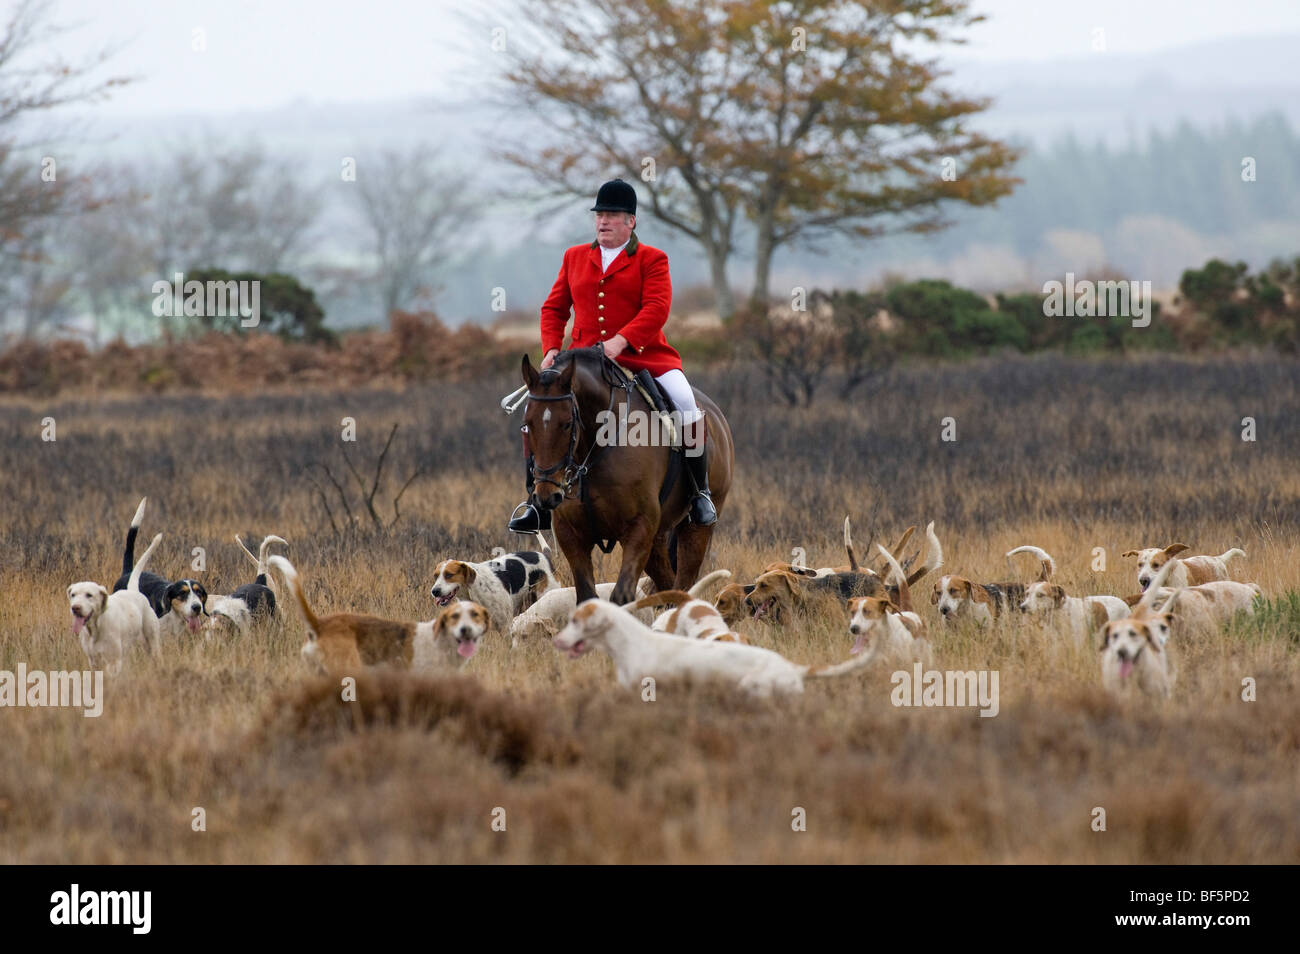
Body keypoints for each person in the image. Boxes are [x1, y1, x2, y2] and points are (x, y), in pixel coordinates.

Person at [508, 178, 717, 534]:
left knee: (685, 404)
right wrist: (552, 349)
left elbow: (656, 308)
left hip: (644, 357)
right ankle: (536, 502)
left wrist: (622, 341)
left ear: (630, 221)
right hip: (583, 362)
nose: (603, 221)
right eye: (599, 215)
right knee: (540, 412)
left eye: (612, 215)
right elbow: (554, 307)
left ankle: (699, 493)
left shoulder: (652, 259)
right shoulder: (575, 257)